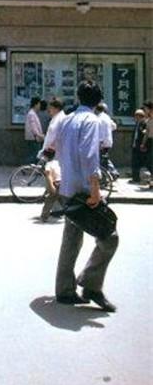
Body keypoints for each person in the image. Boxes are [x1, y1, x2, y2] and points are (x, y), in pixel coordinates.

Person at [53, 81, 119, 311]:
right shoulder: (91, 120)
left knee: (71, 238)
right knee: (110, 237)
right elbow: (89, 156)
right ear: (99, 101)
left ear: (79, 97)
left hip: (67, 188)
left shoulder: (67, 119)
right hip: (82, 190)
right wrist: (95, 189)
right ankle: (90, 284)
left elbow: (56, 148)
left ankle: (64, 290)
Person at [39, 149, 61, 222]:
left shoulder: (48, 165)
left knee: (49, 200)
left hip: (56, 184)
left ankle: (44, 217)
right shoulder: (57, 162)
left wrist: (51, 187)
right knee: (63, 200)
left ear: (45, 157)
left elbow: (49, 177)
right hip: (63, 183)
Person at [129, 108, 148, 183]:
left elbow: (145, 135)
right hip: (135, 146)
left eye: (136, 116)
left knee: (142, 163)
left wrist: (144, 145)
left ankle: (140, 178)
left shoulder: (144, 123)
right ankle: (135, 178)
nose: (135, 118)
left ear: (139, 116)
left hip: (141, 146)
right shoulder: (137, 124)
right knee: (134, 162)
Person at [24, 97, 44, 163]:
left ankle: (28, 168)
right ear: (36, 104)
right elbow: (33, 127)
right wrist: (39, 135)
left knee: (33, 154)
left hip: (33, 138)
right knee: (34, 154)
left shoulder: (32, 113)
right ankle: (25, 167)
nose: (40, 106)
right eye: (39, 104)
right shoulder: (32, 114)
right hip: (34, 138)